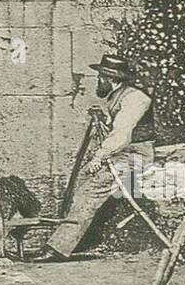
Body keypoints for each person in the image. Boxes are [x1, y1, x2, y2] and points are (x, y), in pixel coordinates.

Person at [39, 53, 155, 260]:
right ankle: (82, 241)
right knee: (82, 180)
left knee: (91, 191)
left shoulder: (135, 98)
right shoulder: (117, 95)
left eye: (100, 77)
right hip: (123, 154)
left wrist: (99, 157)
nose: (98, 82)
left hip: (136, 156)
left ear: (111, 79)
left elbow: (122, 135)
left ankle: (57, 249)